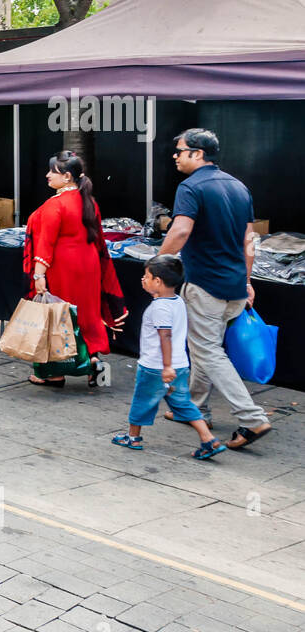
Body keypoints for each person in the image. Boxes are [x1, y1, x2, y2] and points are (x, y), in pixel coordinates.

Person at [158, 128, 271, 450]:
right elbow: (249, 240)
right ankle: (196, 408)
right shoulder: (238, 186)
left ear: (197, 154)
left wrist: (157, 262)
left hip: (205, 284)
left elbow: (180, 230)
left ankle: (251, 417)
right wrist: (247, 281)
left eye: (179, 151)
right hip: (234, 284)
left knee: (208, 350)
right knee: (204, 347)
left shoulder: (191, 186)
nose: (175, 156)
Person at [112, 255, 228, 460]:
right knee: (183, 403)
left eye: (146, 276)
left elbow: (164, 335)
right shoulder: (178, 302)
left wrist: (166, 366)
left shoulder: (160, 308)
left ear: (158, 281)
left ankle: (133, 437)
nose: (142, 280)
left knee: (142, 401)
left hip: (156, 367)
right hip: (180, 365)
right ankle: (207, 438)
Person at [24, 150, 124, 387]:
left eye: (53, 171)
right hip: (89, 266)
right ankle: (94, 362)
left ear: (67, 176)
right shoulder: (89, 201)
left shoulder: (55, 205)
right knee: (88, 315)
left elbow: (46, 244)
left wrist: (39, 274)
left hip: (62, 268)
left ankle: (54, 373)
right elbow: (99, 238)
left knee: (60, 318)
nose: (48, 175)